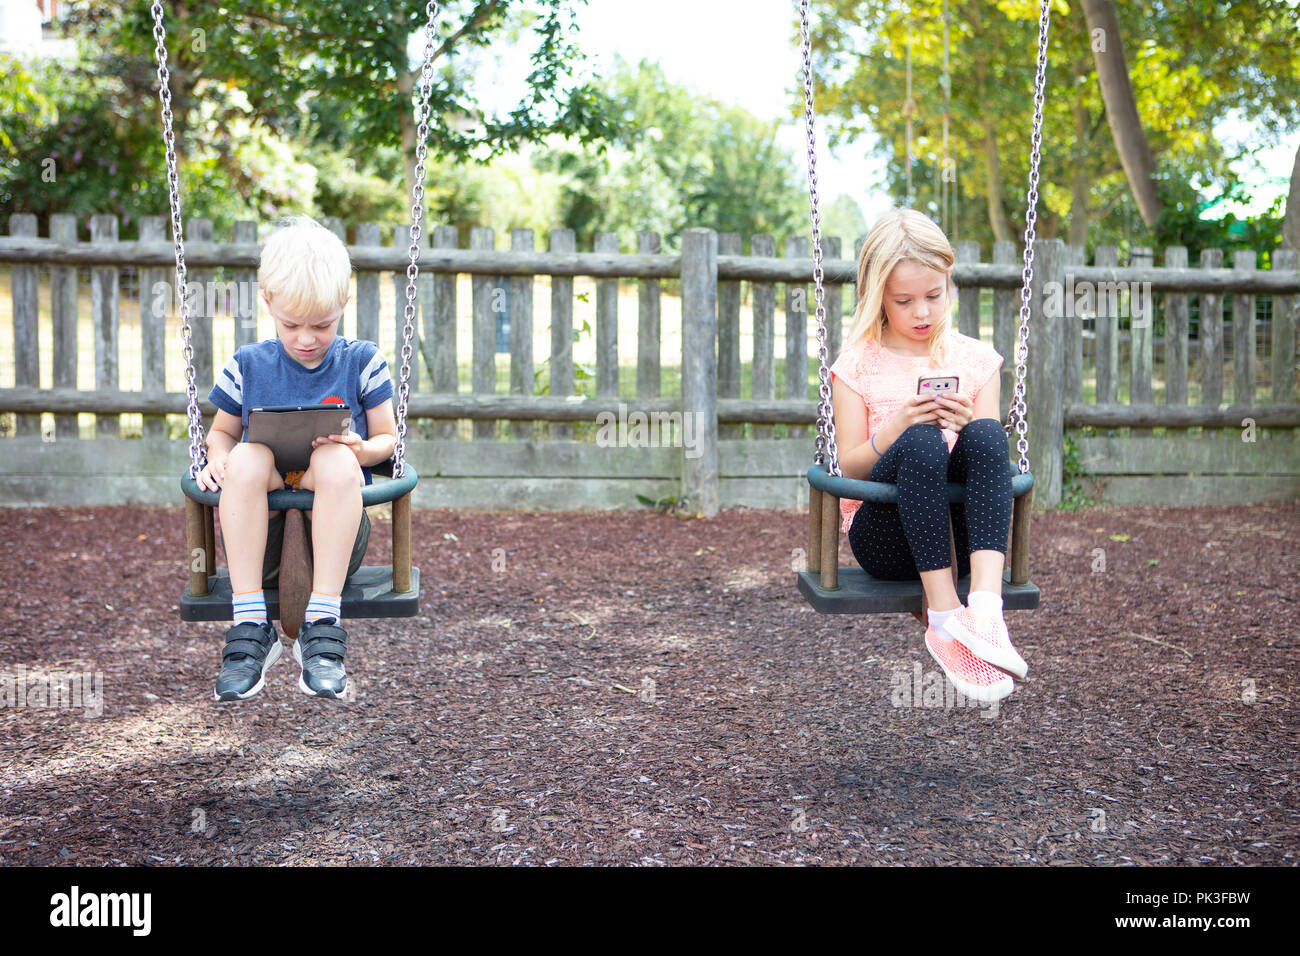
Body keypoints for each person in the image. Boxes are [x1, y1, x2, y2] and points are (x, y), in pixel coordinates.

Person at [196, 216, 397, 701]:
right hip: (257, 542)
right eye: (291, 325)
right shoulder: (247, 364)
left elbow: (388, 439)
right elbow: (220, 432)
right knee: (246, 456)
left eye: (322, 325)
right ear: (267, 304)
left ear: (343, 307)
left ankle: (323, 622)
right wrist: (218, 458)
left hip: (334, 536)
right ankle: (249, 625)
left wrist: (360, 449)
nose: (306, 338)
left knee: (334, 459)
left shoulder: (362, 361)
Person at [830, 208, 1026, 703]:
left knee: (985, 434)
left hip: (958, 536)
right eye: (905, 300)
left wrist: (960, 427)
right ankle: (943, 618)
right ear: (879, 297)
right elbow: (849, 466)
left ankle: (983, 610)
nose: (923, 312)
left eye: (934, 296)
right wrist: (897, 425)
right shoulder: (856, 365)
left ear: (949, 285)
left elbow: (984, 463)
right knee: (919, 439)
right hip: (886, 536)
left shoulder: (976, 361)